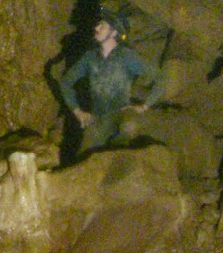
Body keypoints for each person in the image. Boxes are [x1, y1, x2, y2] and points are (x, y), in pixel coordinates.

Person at [58, 9, 163, 154]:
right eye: (98, 25)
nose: (96, 28)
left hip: (121, 115)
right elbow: (65, 83)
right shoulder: (90, 58)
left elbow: (160, 78)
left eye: (102, 26)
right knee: (84, 158)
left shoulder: (126, 56)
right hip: (97, 119)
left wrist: (145, 106)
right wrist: (78, 112)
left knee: (129, 126)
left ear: (113, 33)